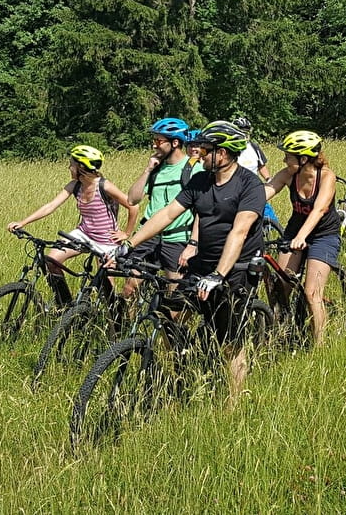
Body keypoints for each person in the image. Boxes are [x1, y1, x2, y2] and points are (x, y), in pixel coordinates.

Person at [110, 121, 266, 403]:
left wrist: (219, 274)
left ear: (224, 153)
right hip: (202, 263)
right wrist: (128, 245)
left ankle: (234, 404)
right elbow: (168, 213)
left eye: (206, 149)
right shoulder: (200, 181)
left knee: (230, 342)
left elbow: (240, 230)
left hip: (235, 268)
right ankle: (184, 369)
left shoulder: (249, 184)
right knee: (171, 313)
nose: (199, 154)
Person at [7, 145, 137, 303]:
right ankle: (65, 306)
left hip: (106, 240)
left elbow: (133, 206)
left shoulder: (104, 186)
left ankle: (115, 322)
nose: (69, 167)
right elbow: (51, 206)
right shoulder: (75, 185)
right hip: (83, 234)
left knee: (107, 289)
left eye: (71, 164)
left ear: (81, 167)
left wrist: (126, 233)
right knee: (51, 261)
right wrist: (23, 222)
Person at [262, 130, 340, 346]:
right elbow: (264, 193)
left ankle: (319, 346)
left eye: (288, 155)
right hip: (294, 231)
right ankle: (280, 331)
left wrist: (302, 237)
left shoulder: (326, 176)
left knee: (312, 292)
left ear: (303, 159)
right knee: (280, 287)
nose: (284, 159)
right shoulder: (288, 174)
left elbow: (320, 209)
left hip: (324, 235)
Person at [124, 117, 201, 281]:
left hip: (177, 238)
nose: (154, 145)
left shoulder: (194, 169)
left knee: (174, 294)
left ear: (174, 143)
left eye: (159, 141)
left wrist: (193, 244)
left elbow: (202, 211)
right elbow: (132, 200)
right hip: (148, 236)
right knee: (130, 287)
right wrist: (148, 170)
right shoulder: (156, 169)